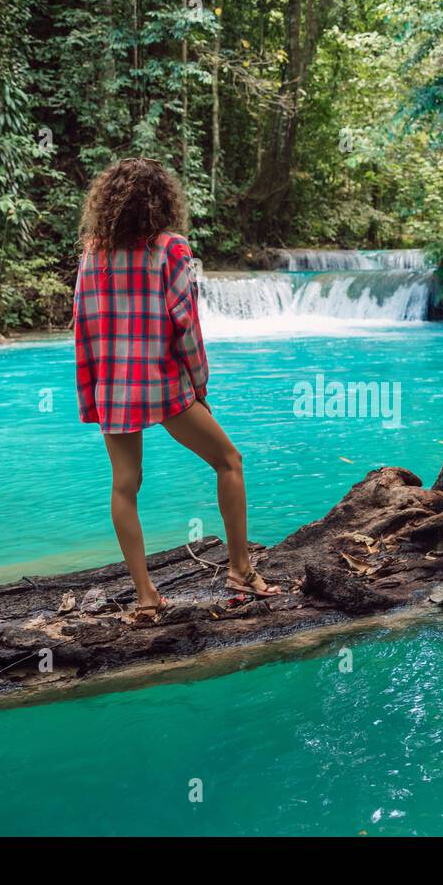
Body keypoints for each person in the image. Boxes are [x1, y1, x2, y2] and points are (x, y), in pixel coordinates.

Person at [74, 157, 281, 609]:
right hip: (163, 384)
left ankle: (146, 595)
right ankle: (240, 571)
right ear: (162, 201)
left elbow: (83, 327)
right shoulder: (172, 249)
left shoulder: (93, 251)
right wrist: (200, 387)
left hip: (113, 384)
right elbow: (187, 326)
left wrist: (91, 391)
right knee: (229, 460)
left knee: (124, 484)